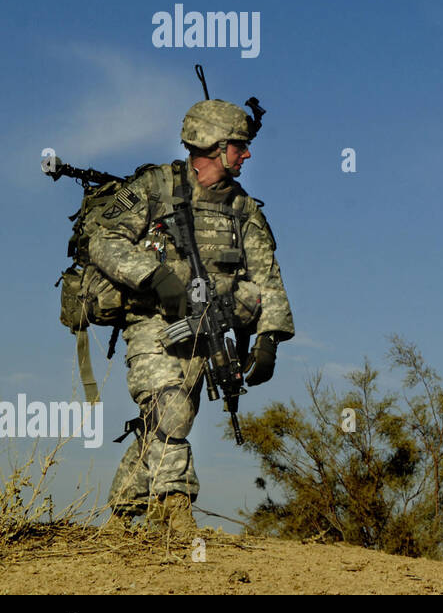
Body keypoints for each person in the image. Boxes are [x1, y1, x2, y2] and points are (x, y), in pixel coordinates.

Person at [93, 99, 294, 540]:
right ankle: (175, 512)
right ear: (214, 146)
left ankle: (120, 517)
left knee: (163, 422)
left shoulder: (244, 210)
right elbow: (103, 239)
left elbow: (267, 277)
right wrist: (155, 277)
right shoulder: (153, 187)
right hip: (151, 321)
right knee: (172, 409)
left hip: (207, 331)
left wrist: (268, 340)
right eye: (239, 146)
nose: (247, 154)